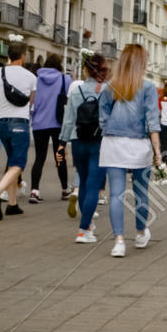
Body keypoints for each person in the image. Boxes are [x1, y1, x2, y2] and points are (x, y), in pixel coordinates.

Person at [98, 43, 163, 257]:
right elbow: (152, 121)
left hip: (113, 143)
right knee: (141, 192)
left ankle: (118, 241)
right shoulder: (147, 88)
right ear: (140, 62)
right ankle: (140, 231)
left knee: (115, 194)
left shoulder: (111, 86)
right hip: (139, 145)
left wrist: (109, 128)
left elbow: (103, 114)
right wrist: (158, 151)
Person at [0, 41, 38, 220]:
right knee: (18, 164)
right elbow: (31, 103)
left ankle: (12, 204)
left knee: (12, 161)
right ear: (23, 56)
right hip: (19, 124)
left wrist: (2, 104)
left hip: (1, 124)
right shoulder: (30, 77)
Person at [61, 52, 109, 243]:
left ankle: (87, 226)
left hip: (77, 141)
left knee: (82, 182)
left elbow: (68, 120)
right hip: (99, 142)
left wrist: (62, 142)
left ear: (86, 70)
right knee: (94, 186)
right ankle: (83, 230)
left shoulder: (76, 91)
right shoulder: (109, 91)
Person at [29, 54, 71, 203]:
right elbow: (68, 98)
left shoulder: (36, 78)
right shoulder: (65, 79)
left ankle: (34, 191)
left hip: (39, 123)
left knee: (39, 158)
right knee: (60, 157)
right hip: (58, 124)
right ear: (59, 65)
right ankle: (65, 189)